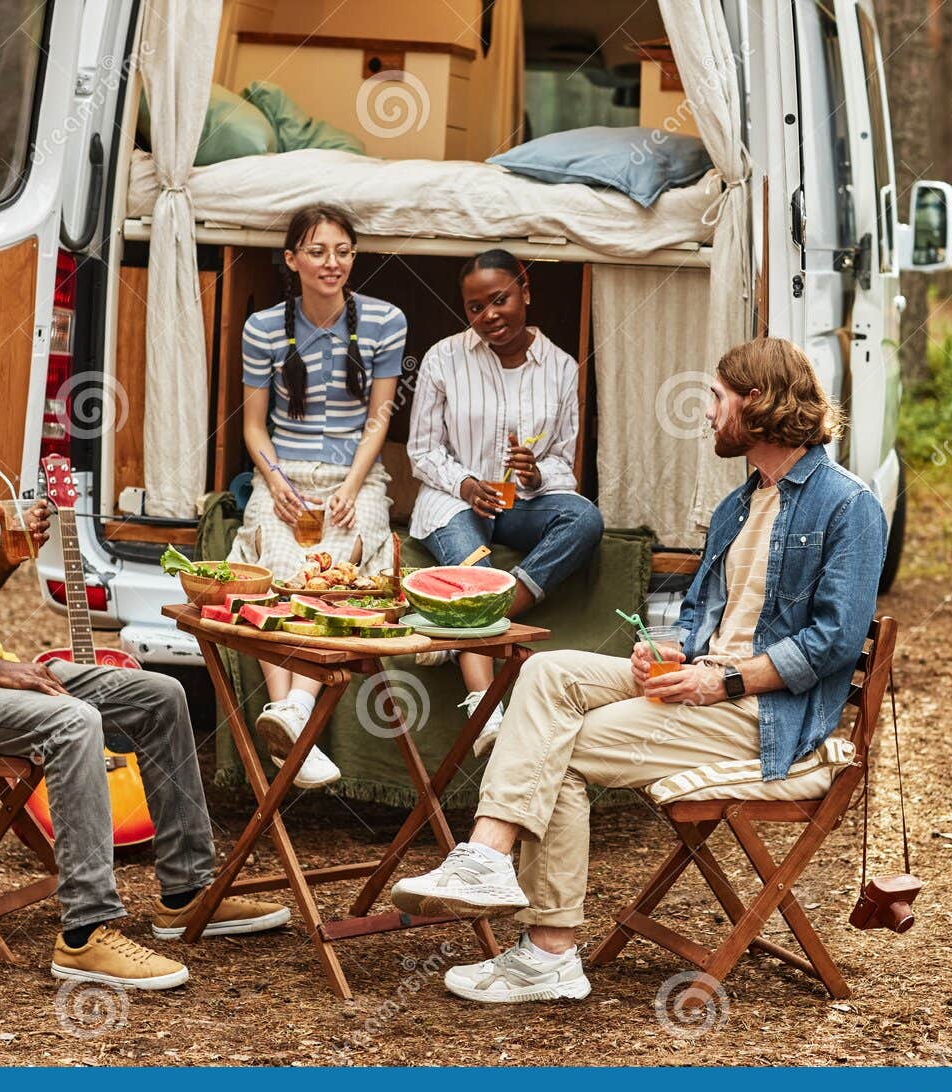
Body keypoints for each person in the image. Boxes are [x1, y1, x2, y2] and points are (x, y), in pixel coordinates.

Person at [389, 336, 888, 1002]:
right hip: (706, 683)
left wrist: (723, 680)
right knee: (545, 672)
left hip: (764, 714)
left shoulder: (849, 506)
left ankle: (550, 951)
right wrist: (670, 649)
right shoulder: (742, 503)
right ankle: (484, 859)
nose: (707, 413)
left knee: (555, 750)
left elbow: (831, 641)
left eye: (716, 398)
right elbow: (700, 615)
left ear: (759, 401)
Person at [0, 329, 288, 991]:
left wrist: (6, 561)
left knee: (159, 695)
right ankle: (85, 932)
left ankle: (186, 892)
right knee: (73, 721)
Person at [228, 204, 407, 788]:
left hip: (356, 475)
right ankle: (292, 722)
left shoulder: (385, 319)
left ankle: (291, 715)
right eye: (317, 251)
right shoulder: (263, 327)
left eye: (343, 251)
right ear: (292, 260)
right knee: (275, 572)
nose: (332, 263)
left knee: (343, 576)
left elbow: (379, 418)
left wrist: (353, 487)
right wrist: (277, 482)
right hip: (287, 474)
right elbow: (254, 426)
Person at [405, 249, 604, 755]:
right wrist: (468, 484)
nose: (489, 315)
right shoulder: (442, 359)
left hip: (520, 505)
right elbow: (423, 452)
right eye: (475, 308)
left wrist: (537, 473)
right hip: (453, 504)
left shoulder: (560, 366)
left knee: (583, 518)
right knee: (475, 565)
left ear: (525, 292)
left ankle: (478, 620)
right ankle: (486, 709)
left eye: (500, 300)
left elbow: (564, 462)